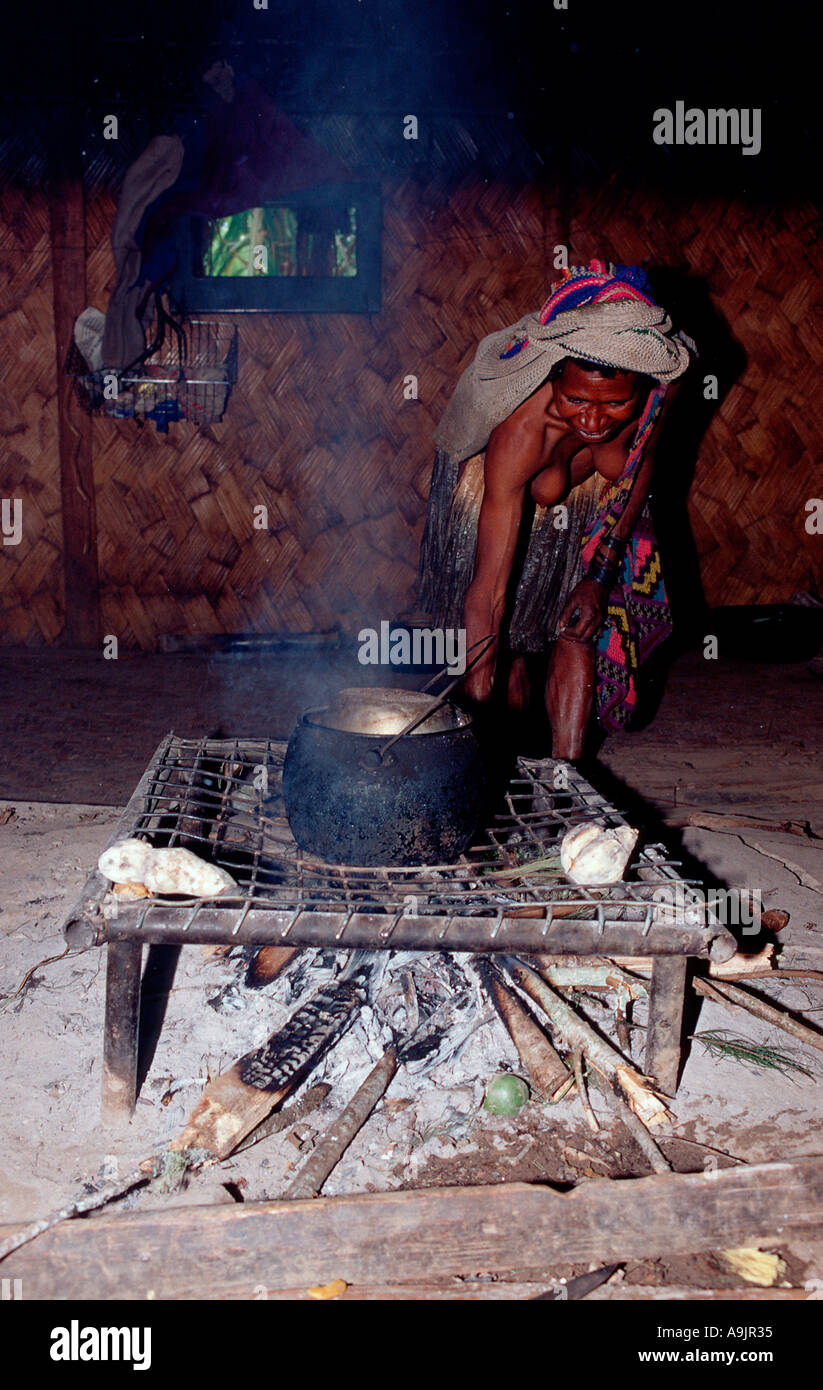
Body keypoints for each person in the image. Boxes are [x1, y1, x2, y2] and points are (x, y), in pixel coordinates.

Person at [418, 260, 693, 758]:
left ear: (639, 389)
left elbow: (637, 474)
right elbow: (488, 593)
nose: (592, 419)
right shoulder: (519, 436)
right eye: (575, 399)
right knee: (512, 630)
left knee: (579, 620)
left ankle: (570, 774)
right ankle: (496, 726)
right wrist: (474, 722)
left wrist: (598, 575)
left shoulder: (656, 396)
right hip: (497, 488)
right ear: (554, 377)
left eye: (614, 405)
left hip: (586, 497)